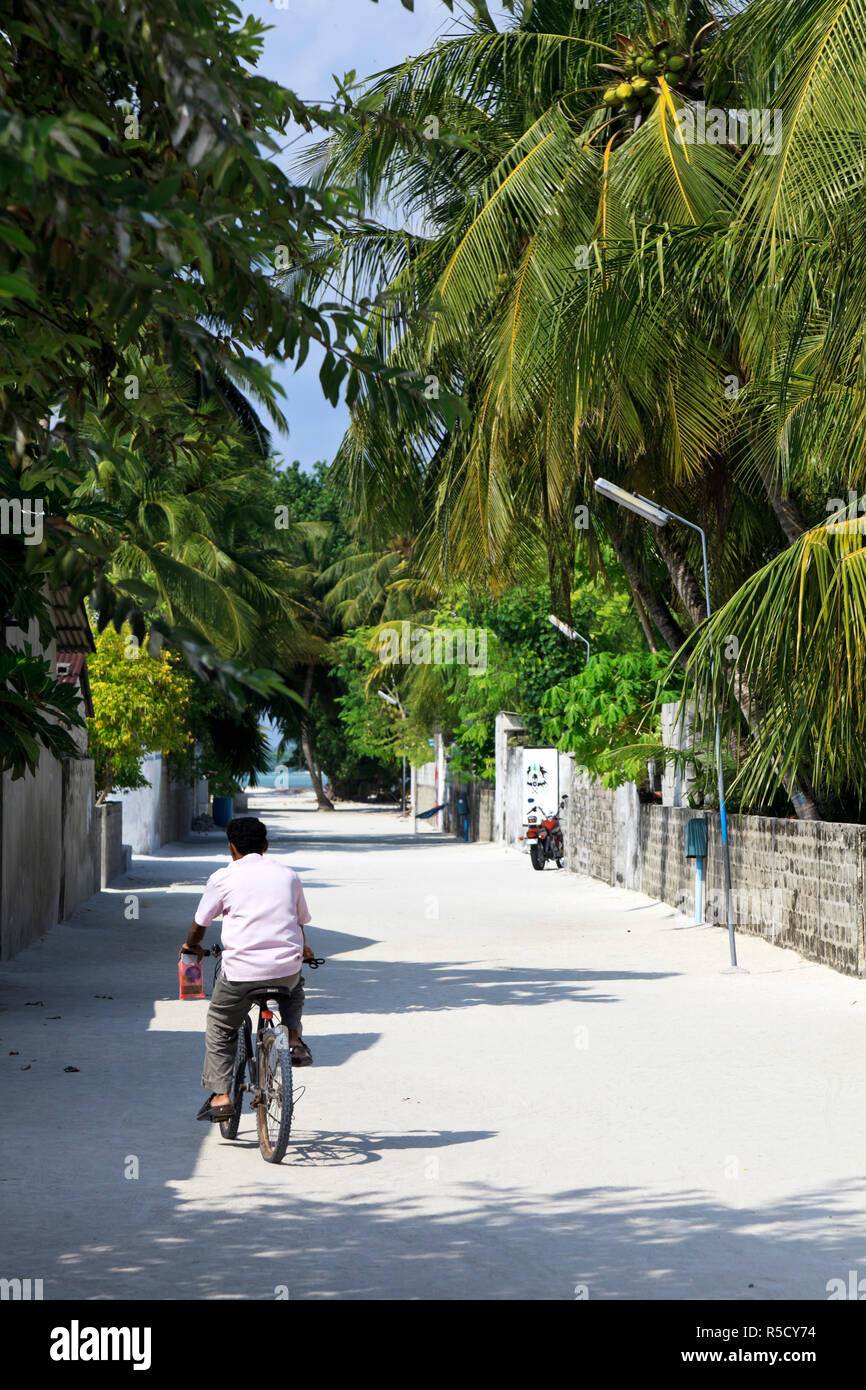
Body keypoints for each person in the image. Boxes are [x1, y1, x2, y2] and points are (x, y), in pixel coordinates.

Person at [180, 815, 315, 1123]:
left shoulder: (222, 878)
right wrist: (301, 951)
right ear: (265, 846)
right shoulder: (289, 876)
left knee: (220, 1023)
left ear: (231, 848)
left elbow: (200, 925)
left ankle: (222, 1095)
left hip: (241, 973)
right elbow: (299, 922)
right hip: (285, 967)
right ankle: (293, 1039)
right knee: (294, 987)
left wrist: (190, 947)